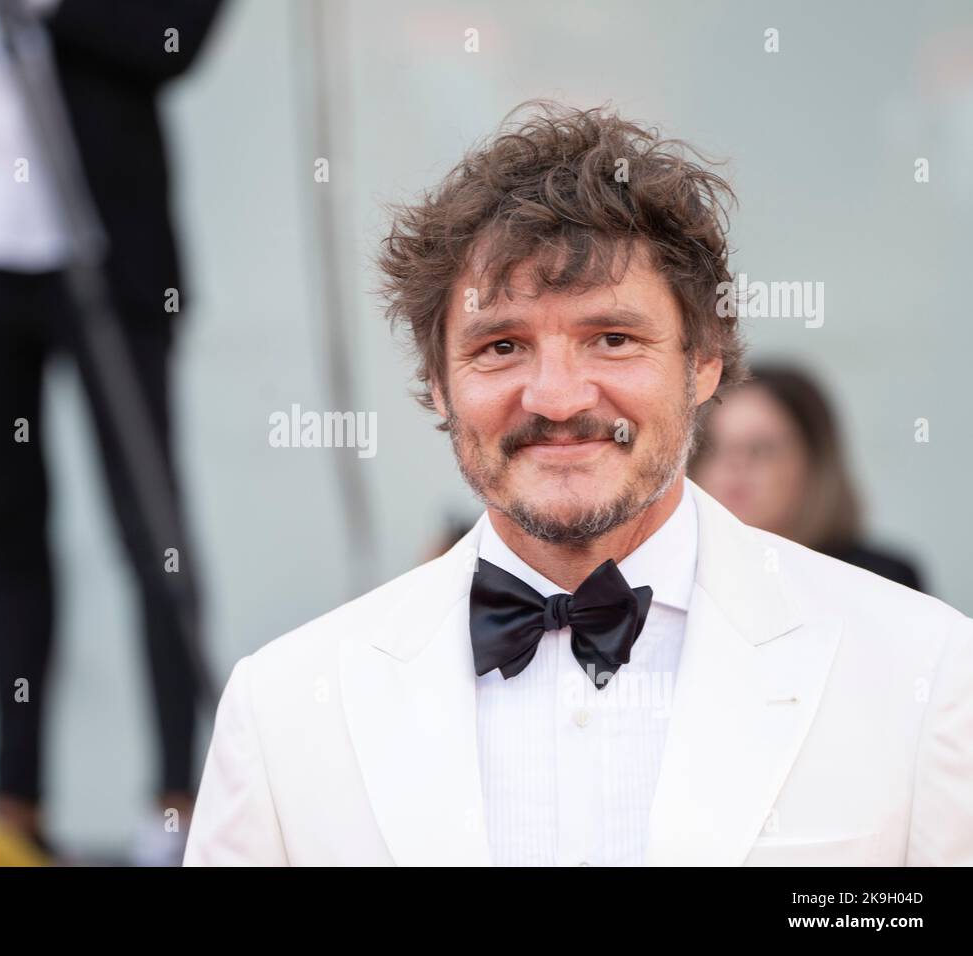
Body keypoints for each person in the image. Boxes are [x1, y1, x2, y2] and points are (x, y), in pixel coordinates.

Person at [182, 101, 973, 866]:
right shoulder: (284, 711)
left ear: (704, 363)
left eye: (612, 338)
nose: (557, 399)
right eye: (500, 346)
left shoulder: (919, 672)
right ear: (436, 383)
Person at [0, 0, 224, 863]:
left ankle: (182, 803)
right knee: (8, 536)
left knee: (154, 533)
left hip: (108, 252)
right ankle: (16, 806)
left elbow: (174, 39)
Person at [689, 364, 924, 591]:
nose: (735, 465)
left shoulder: (881, 580)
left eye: (760, 449)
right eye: (712, 448)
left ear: (814, 461)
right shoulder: (680, 573)